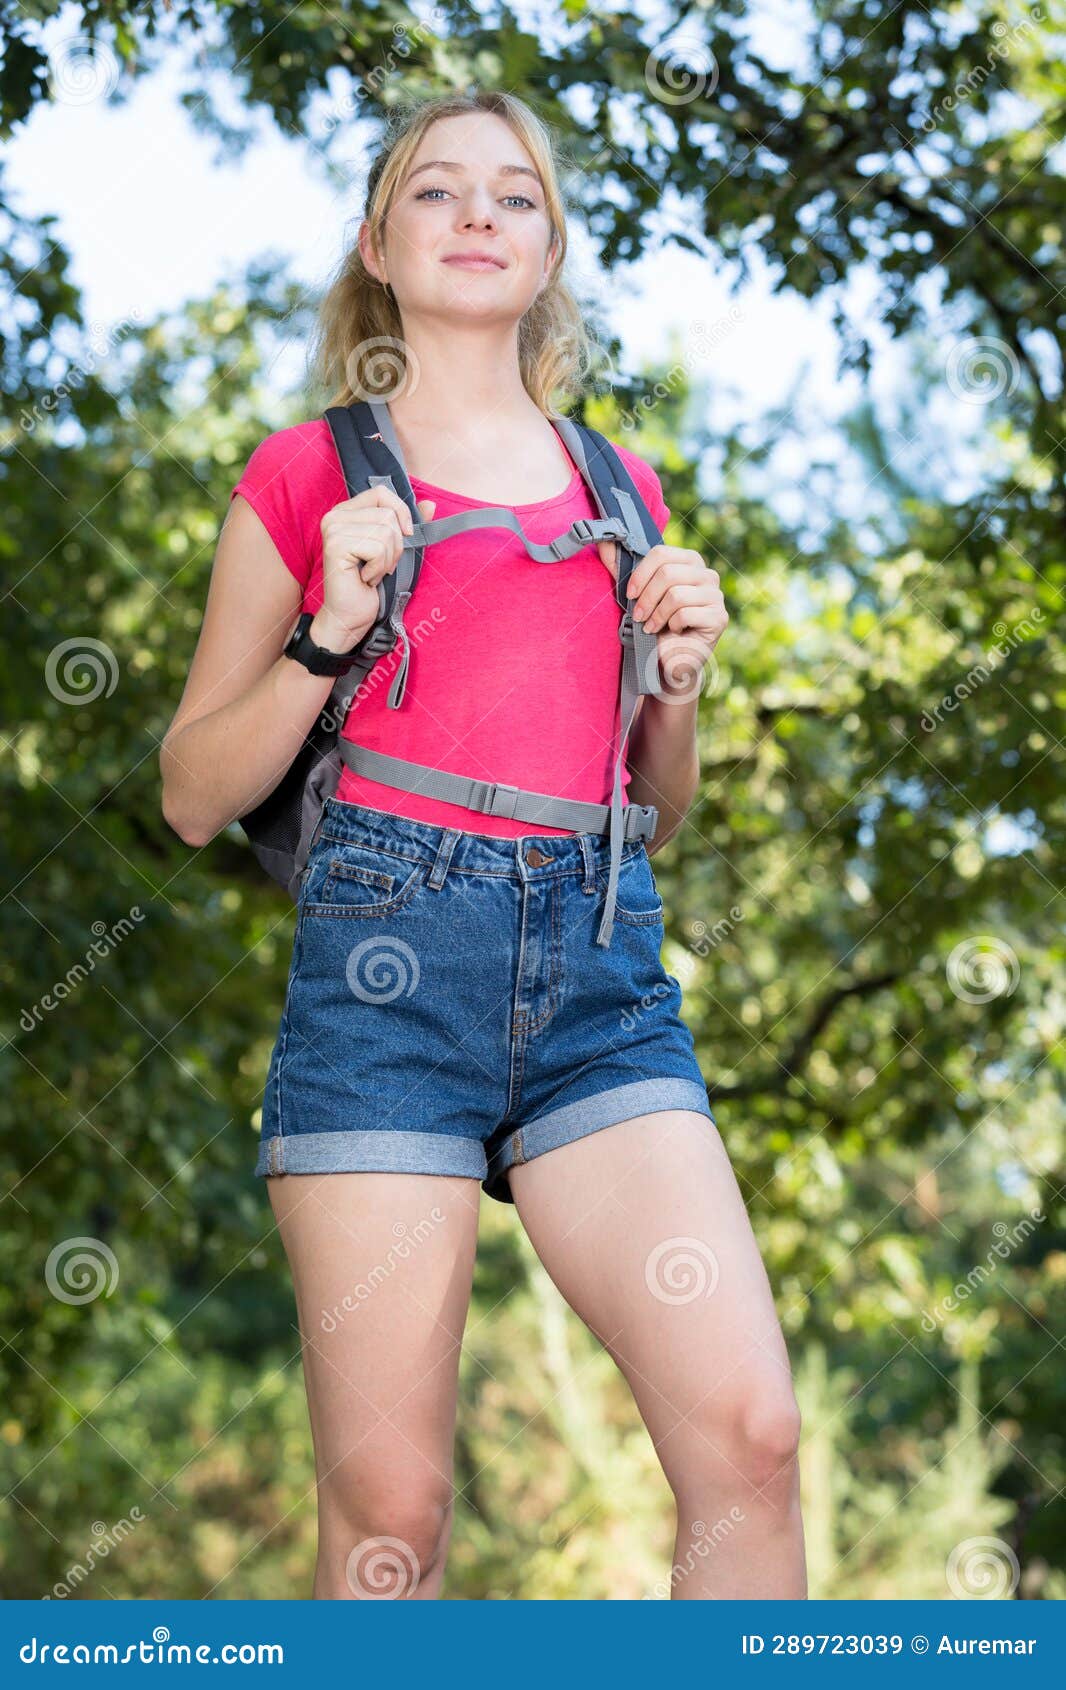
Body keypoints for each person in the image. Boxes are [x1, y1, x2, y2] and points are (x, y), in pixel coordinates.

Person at [160, 89, 805, 1601]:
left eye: (512, 196)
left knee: (751, 1433)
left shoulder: (617, 490)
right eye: (436, 193)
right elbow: (193, 791)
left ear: (547, 249)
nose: (475, 217)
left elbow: (653, 807)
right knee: (394, 1510)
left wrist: (684, 681)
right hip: (385, 991)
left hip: (595, 980)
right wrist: (325, 630)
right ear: (380, 244)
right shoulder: (306, 470)